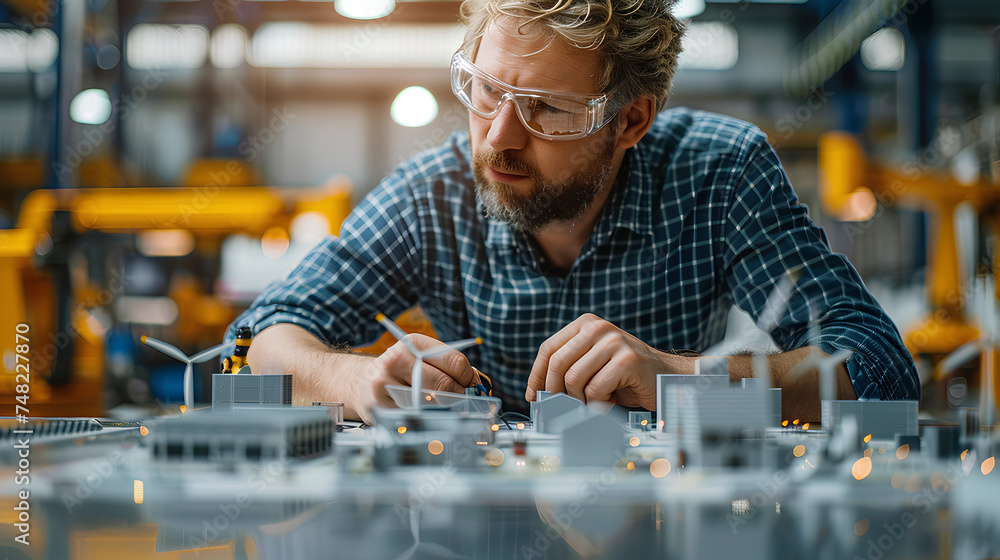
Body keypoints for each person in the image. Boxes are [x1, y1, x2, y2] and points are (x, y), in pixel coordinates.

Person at [226, 0, 919, 425]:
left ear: (631, 120)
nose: (498, 136)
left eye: (546, 109)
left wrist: (680, 382)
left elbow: (880, 370)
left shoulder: (719, 173)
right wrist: (351, 378)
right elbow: (257, 340)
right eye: (486, 91)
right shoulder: (430, 195)